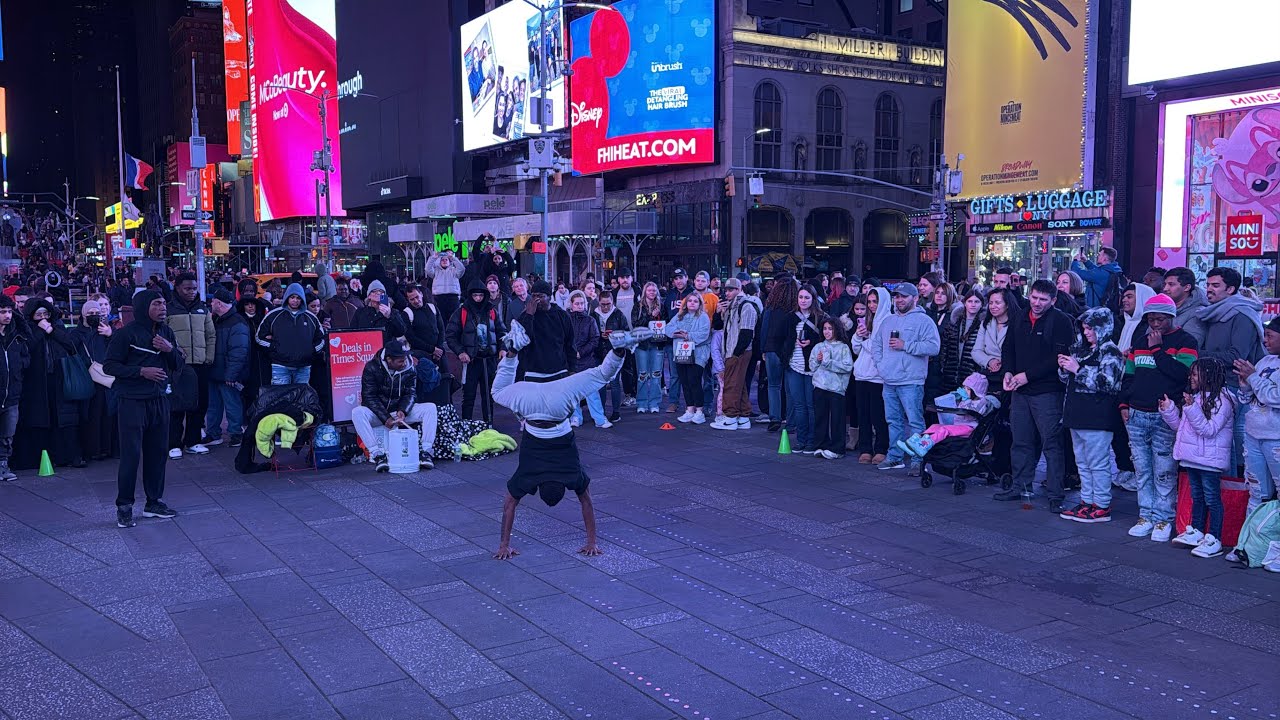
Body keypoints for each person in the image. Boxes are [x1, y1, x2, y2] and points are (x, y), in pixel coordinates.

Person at [490, 327, 646, 560]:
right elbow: (510, 502)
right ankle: (513, 349)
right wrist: (503, 545)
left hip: (556, 403)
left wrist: (592, 542)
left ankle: (619, 349)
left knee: (601, 375)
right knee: (499, 391)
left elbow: (585, 500)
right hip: (537, 405)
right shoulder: (530, 476)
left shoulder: (571, 474)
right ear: (538, 488)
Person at [1120, 293, 1197, 541]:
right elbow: (1129, 375)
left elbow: (1182, 374)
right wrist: (1123, 403)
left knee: (1164, 470)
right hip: (1137, 412)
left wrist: (1157, 350)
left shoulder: (1186, 341)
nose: (1155, 325)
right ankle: (1146, 515)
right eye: (1151, 319)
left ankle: (1164, 518)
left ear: (1171, 318)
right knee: (1141, 469)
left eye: (1160, 319)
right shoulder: (1140, 340)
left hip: (1165, 414)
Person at [994, 279, 1075, 511]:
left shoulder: (1061, 321)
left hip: (1047, 391)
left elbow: (1059, 357)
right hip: (1020, 390)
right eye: (1034, 297)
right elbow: (1008, 346)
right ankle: (1020, 485)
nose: (1037, 303)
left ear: (1053, 301)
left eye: (1042, 299)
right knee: (1020, 440)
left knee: (1051, 443)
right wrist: (1008, 371)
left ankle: (1055, 493)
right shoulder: (1020, 315)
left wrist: (1027, 375)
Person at [104, 289, 183, 528]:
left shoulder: (166, 332)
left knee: (158, 453)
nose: (162, 308)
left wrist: (170, 350)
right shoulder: (125, 334)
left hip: (159, 399)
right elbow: (109, 366)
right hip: (132, 401)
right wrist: (141, 372)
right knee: (131, 454)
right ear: (143, 307)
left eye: (163, 304)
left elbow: (178, 365)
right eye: (156, 304)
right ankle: (124, 505)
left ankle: (154, 502)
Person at [1057, 308, 1126, 524]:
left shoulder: (1111, 351)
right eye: (1085, 328)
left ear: (1102, 327)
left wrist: (1077, 369)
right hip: (1076, 413)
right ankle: (1087, 501)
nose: (1086, 332)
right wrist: (1064, 368)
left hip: (1097, 416)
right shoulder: (1081, 349)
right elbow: (1068, 380)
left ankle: (1102, 505)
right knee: (1083, 462)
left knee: (1097, 462)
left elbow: (1109, 384)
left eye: (1090, 328)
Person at [1163, 358, 1234, 558]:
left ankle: (1214, 538)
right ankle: (1196, 530)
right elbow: (1181, 429)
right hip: (1191, 458)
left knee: (1212, 498)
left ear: (1208, 377)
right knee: (1198, 497)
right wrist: (1169, 410)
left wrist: (1192, 407)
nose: (1190, 378)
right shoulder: (1196, 398)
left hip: (1210, 460)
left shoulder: (1224, 401)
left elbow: (1208, 430)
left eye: (1195, 374)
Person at [1197, 266, 1264, 473]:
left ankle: (1234, 494)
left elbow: (1237, 357)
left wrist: (1198, 354)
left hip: (1234, 386)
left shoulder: (1242, 315)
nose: (1209, 289)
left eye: (1216, 285)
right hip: (1215, 385)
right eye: (1208, 284)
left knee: (1230, 443)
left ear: (1231, 289)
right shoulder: (1212, 313)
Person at [870, 283, 940, 474]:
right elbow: (876, 344)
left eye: (904, 296)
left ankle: (919, 460)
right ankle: (895, 457)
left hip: (911, 380)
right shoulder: (888, 321)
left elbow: (934, 347)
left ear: (915, 298)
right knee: (893, 421)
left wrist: (905, 345)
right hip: (889, 379)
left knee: (915, 421)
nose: (899, 300)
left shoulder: (924, 321)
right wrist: (881, 365)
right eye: (897, 296)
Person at [15, 299, 85, 470]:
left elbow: (70, 345)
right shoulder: (27, 331)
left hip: (59, 379)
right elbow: (27, 348)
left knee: (62, 419)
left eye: (45, 314)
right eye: (38, 315)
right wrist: (40, 331)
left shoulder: (57, 328)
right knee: (39, 419)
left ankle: (66, 455)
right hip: (36, 383)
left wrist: (51, 330)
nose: (43, 318)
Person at [351, 340, 437, 472]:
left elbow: (411, 393)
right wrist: (385, 418)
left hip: (398, 412)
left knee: (430, 408)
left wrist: (403, 410)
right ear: (389, 359)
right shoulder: (372, 367)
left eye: (404, 359)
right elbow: (369, 397)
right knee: (357, 412)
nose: (404, 363)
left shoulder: (409, 367)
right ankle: (377, 454)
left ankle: (426, 452)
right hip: (379, 414)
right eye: (400, 361)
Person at [1234, 317, 1280, 514]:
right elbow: (1247, 399)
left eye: (1270, 336)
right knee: (1256, 491)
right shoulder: (1264, 361)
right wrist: (1244, 385)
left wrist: (1252, 377)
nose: (1265, 341)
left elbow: (1275, 397)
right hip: (1253, 435)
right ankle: (1250, 543)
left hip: (1275, 439)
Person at [167, 273, 216, 457]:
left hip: (200, 364)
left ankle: (193, 441)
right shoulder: (169, 309)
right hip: (178, 366)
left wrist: (208, 357)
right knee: (176, 406)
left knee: (199, 405)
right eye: (187, 288)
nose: (191, 292)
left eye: (194, 288)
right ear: (177, 287)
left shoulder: (203, 309)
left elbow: (211, 335)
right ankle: (173, 444)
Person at [446, 280, 505, 422]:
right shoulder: (461, 312)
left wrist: (503, 348)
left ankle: (488, 426)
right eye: (475, 296)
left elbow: (502, 332)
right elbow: (450, 335)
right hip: (471, 361)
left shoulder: (492, 311)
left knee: (488, 396)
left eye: (480, 295)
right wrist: (460, 352)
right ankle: (466, 425)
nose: (478, 298)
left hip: (489, 360)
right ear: (470, 296)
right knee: (468, 396)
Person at [899, 372, 998, 458]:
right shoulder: (967, 400)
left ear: (976, 391)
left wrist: (966, 400)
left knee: (944, 430)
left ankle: (924, 446)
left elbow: (974, 412)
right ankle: (915, 443)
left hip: (970, 428)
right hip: (960, 426)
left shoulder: (982, 402)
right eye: (964, 388)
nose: (964, 390)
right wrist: (953, 398)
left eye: (968, 389)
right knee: (935, 426)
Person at [69, 295, 116, 461]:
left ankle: (107, 448)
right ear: (83, 314)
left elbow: (117, 348)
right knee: (91, 414)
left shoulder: (107, 330)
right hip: (87, 378)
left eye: (97, 311)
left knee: (108, 413)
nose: (95, 314)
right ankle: (93, 449)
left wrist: (110, 334)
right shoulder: (77, 333)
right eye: (91, 312)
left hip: (106, 377)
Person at [710, 278, 761, 431]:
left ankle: (731, 417)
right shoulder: (733, 306)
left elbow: (747, 333)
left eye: (731, 290)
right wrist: (719, 313)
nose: (727, 292)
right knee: (740, 385)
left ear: (739, 289)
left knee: (731, 385)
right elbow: (719, 326)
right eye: (726, 290)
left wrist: (736, 353)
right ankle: (743, 417)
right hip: (734, 351)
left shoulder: (746, 306)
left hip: (739, 351)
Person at [255, 282, 325, 385]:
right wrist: (274, 347)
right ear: (287, 297)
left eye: (298, 298)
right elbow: (259, 337)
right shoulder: (274, 315)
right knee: (280, 398)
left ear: (302, 299)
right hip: (280, 366)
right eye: (292, 297)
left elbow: (322, 339)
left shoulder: (311, 317)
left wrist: (312, 350)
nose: (295, 300)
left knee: (301, 398)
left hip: (303, 366)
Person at [206, 288, 250, 448]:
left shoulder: (236, 322)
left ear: (218, 303)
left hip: (226, 372)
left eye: (213, 301)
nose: (211, 304)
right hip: (216, 370)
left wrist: (232, 374)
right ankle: (214, 433)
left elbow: (239, 352)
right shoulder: (220, 320)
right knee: (215, 405)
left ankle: (235, 433)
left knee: (230, 404)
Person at [783, 285, 823, 453]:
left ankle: (812, 440)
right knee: (799, 405)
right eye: (801, 297)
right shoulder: (790, 317)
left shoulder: (820, 318)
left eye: (807, 297)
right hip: (794, 365)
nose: (803, 300)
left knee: (811, 405)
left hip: (813, 367)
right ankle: (801, 439)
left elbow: (826, 339)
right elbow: (783, 339)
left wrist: (811, 343)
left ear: (813, 299)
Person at [852, 289, 890, 464]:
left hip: (878, 376)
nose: (872, 305)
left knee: (878, 414)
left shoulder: (888, 321)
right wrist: (859, 337)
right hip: (861, 374)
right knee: (863, 414)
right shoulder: (867, 319)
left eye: (875, 301)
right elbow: (856, 348)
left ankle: (882, 447)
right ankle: (865, 448)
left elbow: (880, 349)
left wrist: (866, 339)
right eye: (870, 301)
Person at [664, 292, 712, 424]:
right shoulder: (679, 316)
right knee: (684, 381)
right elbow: (668, 328)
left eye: (695, 301)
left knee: (694, 381)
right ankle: (689, 410)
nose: (692, 303)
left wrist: (687, 335)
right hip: (681, 352)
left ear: (699, 303)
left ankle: (699, 411)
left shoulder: (703, 317)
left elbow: (703, 334)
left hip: (698, 353)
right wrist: (677, 333)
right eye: (690, 300)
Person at [514, 280, 574, 383]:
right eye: (533, 296)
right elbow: (522, 340)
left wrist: (572, 369)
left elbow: (570, 343)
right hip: (533, 372)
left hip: (558, 371)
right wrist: (529, 316)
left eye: (540, 296)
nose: (536, 300)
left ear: (549, 297)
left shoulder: (562, 315)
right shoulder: (525, 316)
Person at [811, 317, 853, 459]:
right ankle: (820, 444)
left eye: (830, 329)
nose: (827, 332)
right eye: (825, 329)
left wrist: (828, 362)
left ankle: (837, 448)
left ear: (837, 330)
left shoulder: (843, 347)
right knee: (820, 417)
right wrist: (818, 360)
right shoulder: (818, 346)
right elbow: (812, 366)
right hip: (820, 386)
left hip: (836, 388)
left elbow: (847, 367)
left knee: (837, 418)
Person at [761, 278, 797, 433]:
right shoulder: (794, 310)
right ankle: (791, 422)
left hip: (771, 349)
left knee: (774, 385)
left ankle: (774, 418)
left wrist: (762, 349)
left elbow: (763, 330)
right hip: (790, 351)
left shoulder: (770, 307)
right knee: (790, 389)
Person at [0, 295, 29, 481]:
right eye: (3, 312)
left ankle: (3, 466)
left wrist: (20, 365)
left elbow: (27, 355)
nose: (7, 316)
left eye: (10, 312)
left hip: (12, 393)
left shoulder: (16, 335)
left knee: (7, 434)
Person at [662, 269, 697, 411]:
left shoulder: (693, 294)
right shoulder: (670, 295)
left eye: (681, 277)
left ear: (687, 277)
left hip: (690, 339)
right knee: (675, 373)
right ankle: (673, 402)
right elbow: (665, 316)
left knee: (692, 373)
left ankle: (694, 403)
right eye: (676, 278)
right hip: (673, 340)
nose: (678, 281)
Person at [593, 290, 630, 423]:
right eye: (603, 304)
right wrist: (599, 336)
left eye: (608, 304)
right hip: (598, 352)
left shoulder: (618, 314)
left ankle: (616, 412)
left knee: (614, 383)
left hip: (615, 352)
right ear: (599, 302)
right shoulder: (594, 315)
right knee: (600, 383)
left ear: (612, 302)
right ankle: (601, 411)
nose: (606, 307)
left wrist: (614, 335)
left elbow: (626, 332)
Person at [631, 281, 666, 414]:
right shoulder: (638, 306)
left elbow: (666, 322)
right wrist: (650, 316)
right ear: (645, 291)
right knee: (642, 374)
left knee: (656, 374)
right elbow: (635, 324)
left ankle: (654, 402)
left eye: (654, 290)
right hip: (642, 344)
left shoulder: (661, 306)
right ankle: (641, 402)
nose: (652, 292)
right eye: (649, 290)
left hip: (657, 344)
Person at [939, 289, 984, 391]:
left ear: (981, 304)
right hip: (950, 372)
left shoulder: (983, 325)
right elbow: (945, 347)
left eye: (976, 302)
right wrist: (943, 366)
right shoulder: (954, 322)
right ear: (964, 303)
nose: (973, 305)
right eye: (970, 301)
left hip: (972, 375)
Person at [1162, 267, 1207, 344]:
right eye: (1165, 284)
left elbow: (1190, 346)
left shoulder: (1198, 313)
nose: (1165, 289)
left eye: (1171, 284)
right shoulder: (1161, 308)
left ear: (1187, 287)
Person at [403, 286, 446, 363]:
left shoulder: (433, 307)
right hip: (421, 355)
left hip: (439, 352)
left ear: (421, 294)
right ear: (408, 300)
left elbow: (441, 329)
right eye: (412, 299)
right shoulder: (406, 313)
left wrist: (439, 348)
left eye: (417, 297)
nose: (416, 301)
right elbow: (411, 338)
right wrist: (432, 349)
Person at [424, 250, 465, 323]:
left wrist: (453, 258)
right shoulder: (435, 271)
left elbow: (462, 269)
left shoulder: (454, 271)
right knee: (440, 320)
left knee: (454, 320)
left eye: (446, 259)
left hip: (453, 298)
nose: (444, 261)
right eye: (442, 260)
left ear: (449, 261)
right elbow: (427, 269)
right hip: (439, 298)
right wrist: (433, 257)